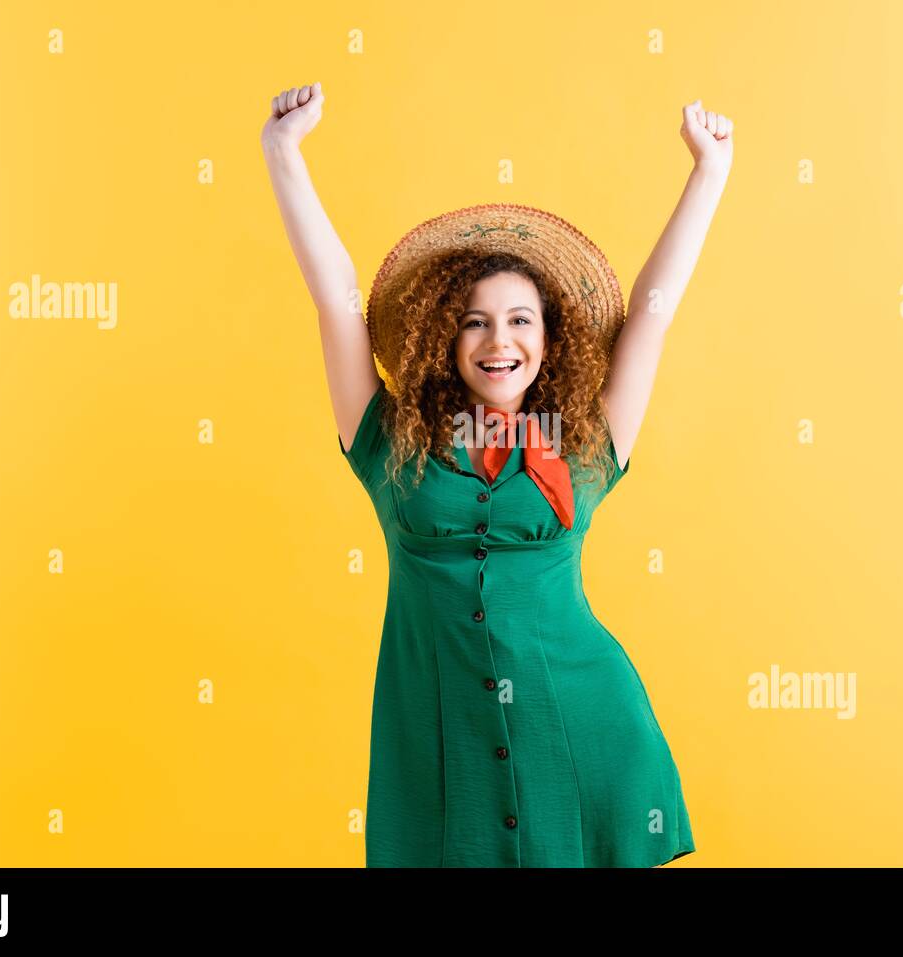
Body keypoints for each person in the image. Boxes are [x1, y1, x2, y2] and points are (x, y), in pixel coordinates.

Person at [262, 82, 733, 866]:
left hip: (579, 727)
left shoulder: (586, 444)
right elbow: (335, 300)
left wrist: (708, 172)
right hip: (438, 749)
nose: (498, 340)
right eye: (474, 321)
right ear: (446, 339)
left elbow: (654, 311)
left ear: (550, 339)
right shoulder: (389, 443)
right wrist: (284, 157)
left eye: (520, 319)